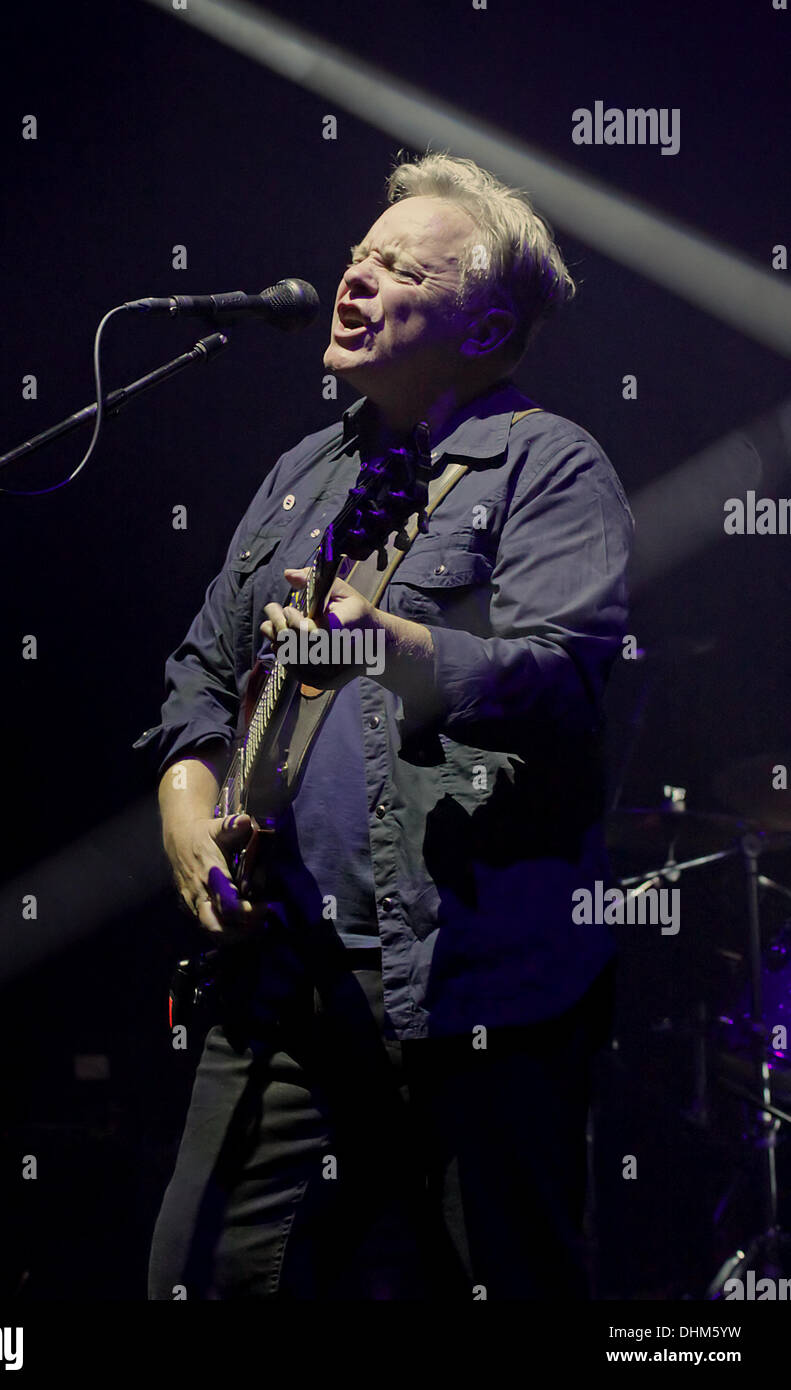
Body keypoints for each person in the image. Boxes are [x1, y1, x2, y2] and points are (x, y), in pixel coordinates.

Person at [143, 152, 633, 1300]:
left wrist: (386, 646)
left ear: (482, 326)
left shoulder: (550, 465)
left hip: (475, 987)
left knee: (504, 1277)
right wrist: (185, 808)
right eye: (357, 255)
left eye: (396, 267)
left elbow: (563, 686)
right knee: (201, 1274)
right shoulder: (302, 474)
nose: (352, 279)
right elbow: (200, 672)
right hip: (284, 974)